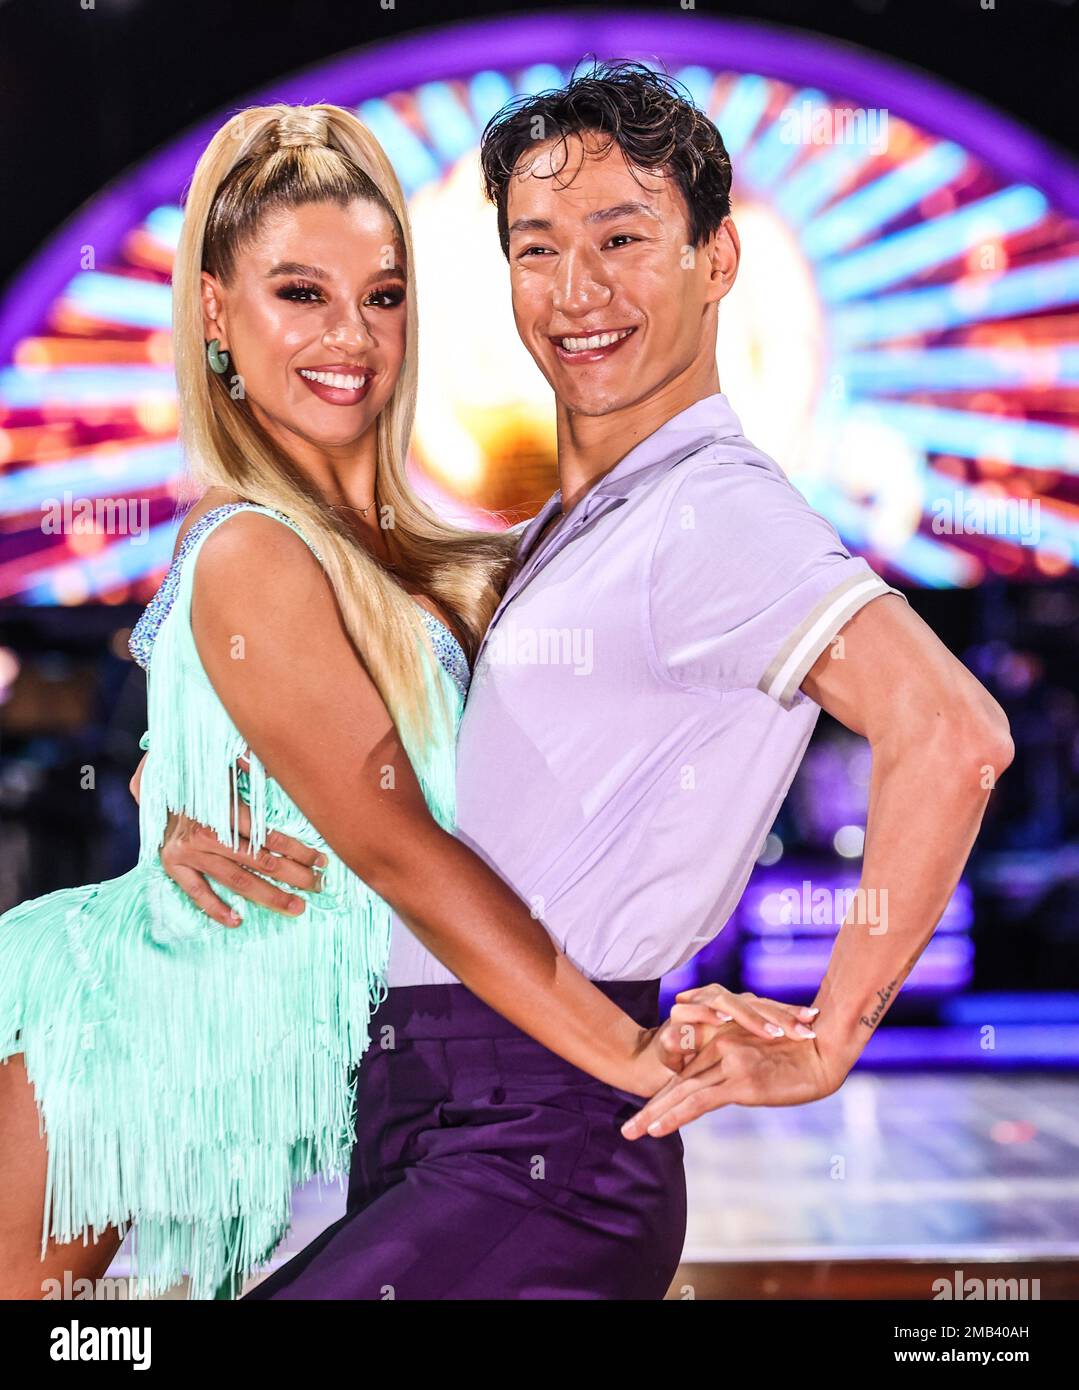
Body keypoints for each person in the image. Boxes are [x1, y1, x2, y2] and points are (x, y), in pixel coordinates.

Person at [166, 65, 1013, 1301]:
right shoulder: (573, 529)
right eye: (536, 247)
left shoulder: (710, 509)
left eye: (623, 238)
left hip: (541, 1131)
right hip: (447, 1105)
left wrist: (828, 1040)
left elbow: (953, 731)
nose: (578, 292)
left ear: (716, 260)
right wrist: (190, 807)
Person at [0, 99, 807, 1302]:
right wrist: (623, 1054)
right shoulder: (251, 550)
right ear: (216, 312)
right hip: (125, 1047)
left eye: (380, 295)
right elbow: (398, 846)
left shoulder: (453, 568)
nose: (352, 336)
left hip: (303, 1089)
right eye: (299, 293)